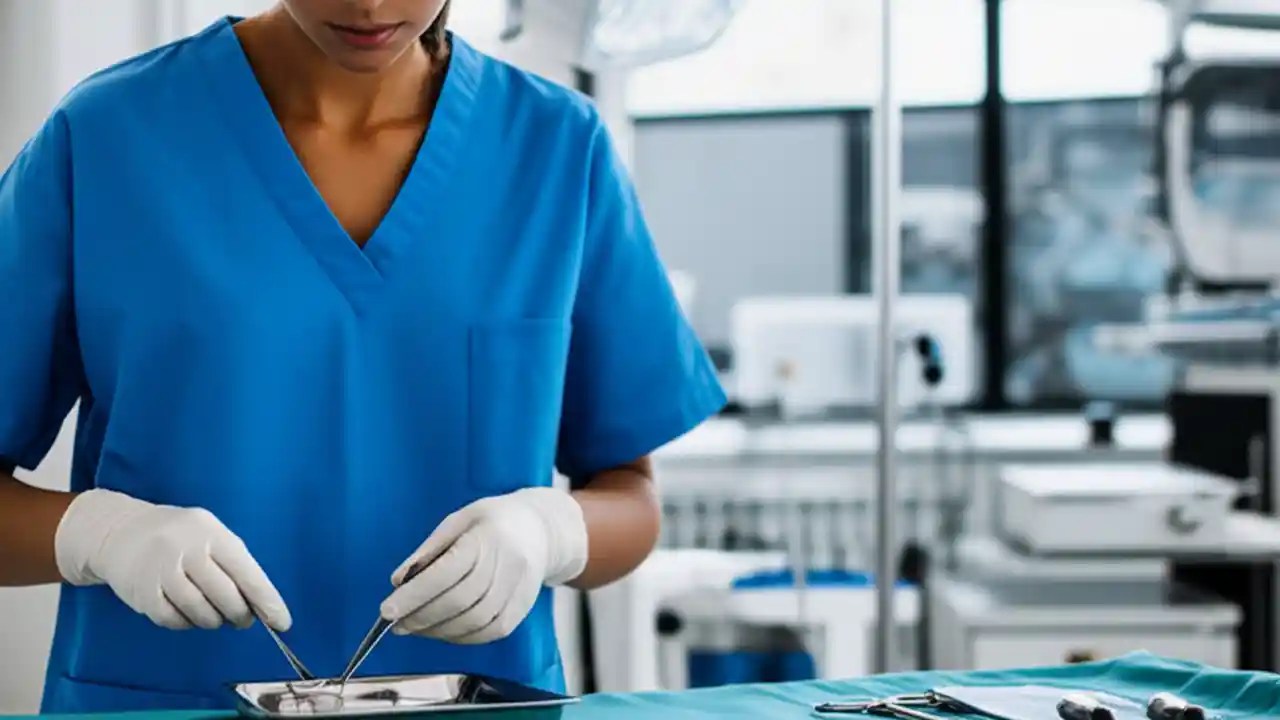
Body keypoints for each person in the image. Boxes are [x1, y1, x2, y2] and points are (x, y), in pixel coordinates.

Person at [0, 0, 725, 712]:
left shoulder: (557, 148)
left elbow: (630, 499)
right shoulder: (107, 138)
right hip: (164, 700)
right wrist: (98, 536)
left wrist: (551, 533)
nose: (369, 3)